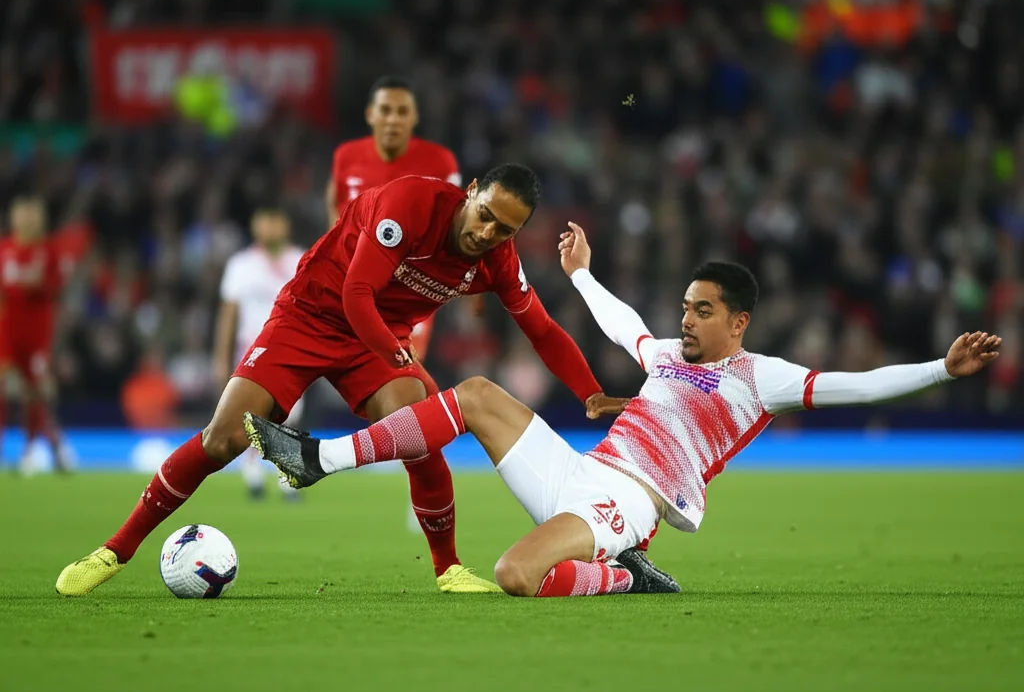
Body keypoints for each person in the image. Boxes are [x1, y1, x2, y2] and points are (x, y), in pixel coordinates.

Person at [245, 221, 1003, 598]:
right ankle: (315, 459)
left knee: (514, 576)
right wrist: (581, 276)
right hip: (579, 470)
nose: (686, 321)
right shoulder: (669, 355)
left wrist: (944, 367)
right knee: (475, 396)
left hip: (628, 500)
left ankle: (625, 576)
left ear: (737, 321)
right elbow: (622, 323)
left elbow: (856, 385)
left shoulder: (762, 376)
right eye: (685, 307)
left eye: (702, 311)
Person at [56, 165, 624, 597]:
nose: (489, 233)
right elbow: (355, 294)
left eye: (506, 230)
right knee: (223, 439)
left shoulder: (498, 260)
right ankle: (115, 550)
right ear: (471, 191)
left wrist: (588, 390)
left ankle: (448, 568)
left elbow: (542, 329)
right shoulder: (412, 204)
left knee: (419, 430)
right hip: (310, 316)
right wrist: (397, 354)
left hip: (377, 338)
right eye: (486, 215)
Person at [326, 75, 463, 361]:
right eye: (385, 110)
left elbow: (457, 225)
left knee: (403, 369)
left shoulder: (440, 162)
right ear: (370, 114)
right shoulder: (346, 156)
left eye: (402, 112)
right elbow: (336, 205)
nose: (393, 120)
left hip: (410, 288)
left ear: (414, 117)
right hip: (354, 282)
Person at [212, 208, 305, 500]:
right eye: (265, 220)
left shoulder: (301, 260)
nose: (270, 227)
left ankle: (282, 471)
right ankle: (253, 470)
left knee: (289, 415)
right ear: (255, 226)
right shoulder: (241, 265)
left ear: (285, 225)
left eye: (275, 220)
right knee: (253, 413)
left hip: (294, 349)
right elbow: (228, 315)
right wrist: (220, 357)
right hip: (252, 349)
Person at [0, 196, 71, 474]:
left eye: (33, 216)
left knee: (35, 393)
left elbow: (57, 286)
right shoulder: (4, 249)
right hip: (8, 328)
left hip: (38, 331)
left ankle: (32, 449)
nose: (28, 222)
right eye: (23, 216)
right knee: (3, 385)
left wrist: (37, 283)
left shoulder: (49, 251)